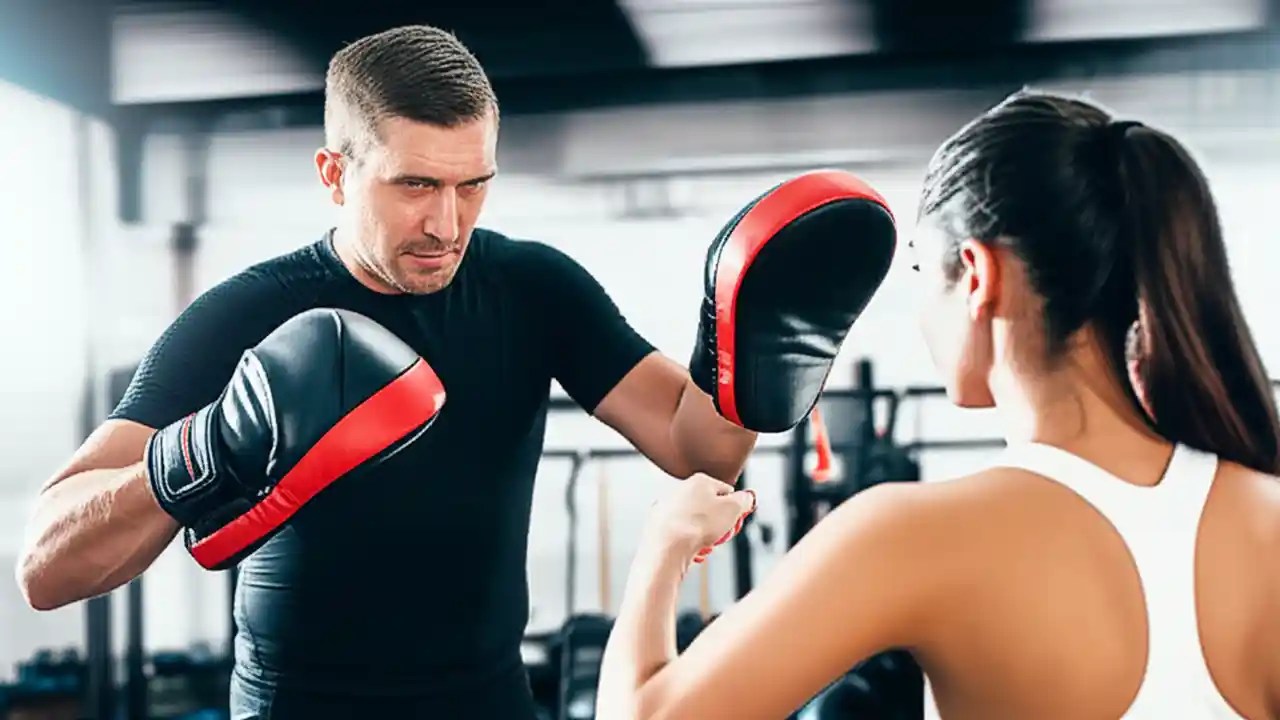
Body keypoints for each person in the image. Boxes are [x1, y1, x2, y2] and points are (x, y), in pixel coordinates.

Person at [12, 24, 890, 720]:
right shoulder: (247, 313)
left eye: (473, 185)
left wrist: (759, 347)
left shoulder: (533, 287)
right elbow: (46, 569)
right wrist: (209, 447)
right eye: (414, 186)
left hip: (487, 700)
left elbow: (698, 444)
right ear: (333, 174)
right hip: (298, 708)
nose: (447, 222)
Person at [596, 90, 1280, 720]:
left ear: (977, 276)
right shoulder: (1267, 516)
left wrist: (665, 541)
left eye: (920, 268)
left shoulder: (912, 533)